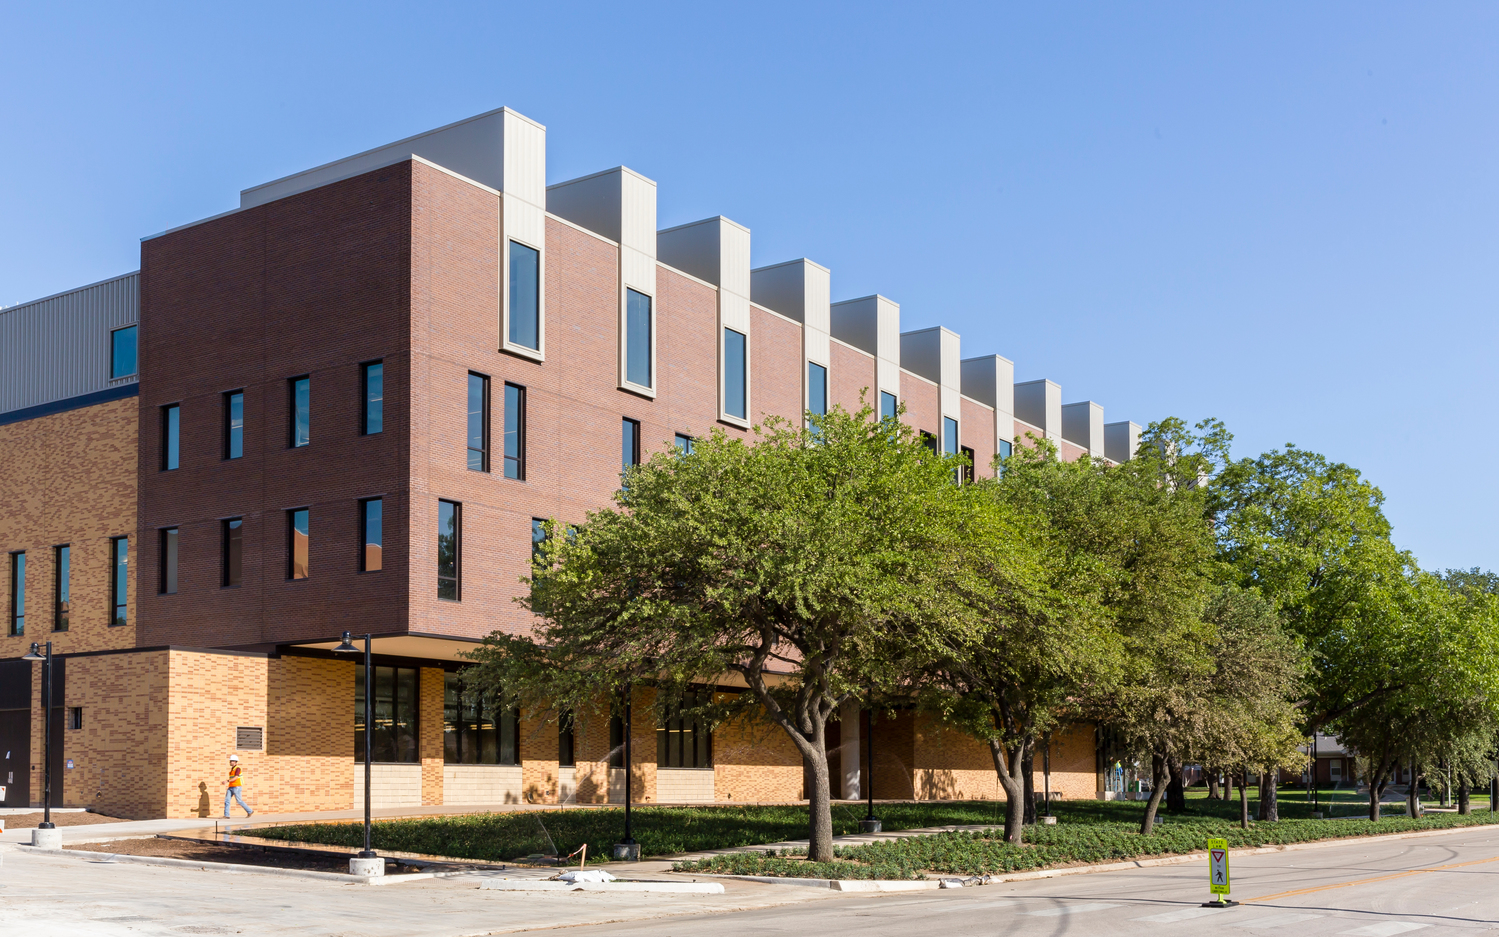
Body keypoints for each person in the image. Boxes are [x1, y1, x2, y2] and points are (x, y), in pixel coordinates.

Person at [223, 754, 254, 818]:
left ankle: (249, 811)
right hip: (231, 787)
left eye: (231, 761)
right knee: (227, 801)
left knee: (239, 801)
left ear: (235, 761)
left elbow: (236, 777)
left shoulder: (237, 769)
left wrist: (227, 781)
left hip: (237, 787)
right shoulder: (233, 769)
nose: (230, 762)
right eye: (230, 761)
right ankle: (226, 815)